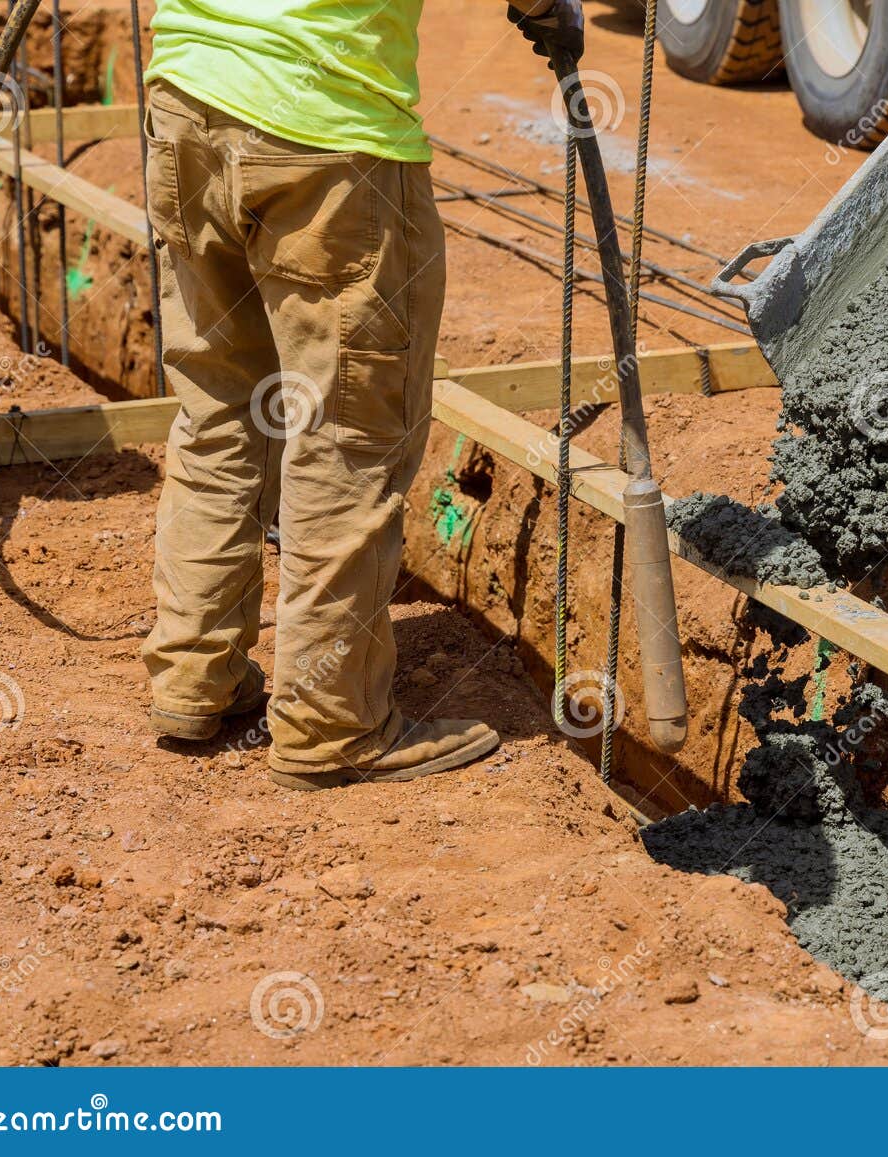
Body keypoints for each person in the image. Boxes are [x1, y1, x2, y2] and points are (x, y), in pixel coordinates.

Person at [139, 1, 585, 789]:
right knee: (346, 432)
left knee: (216, 407)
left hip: (187, 98)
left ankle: (193, 673)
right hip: (324, 135)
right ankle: (330, 724)